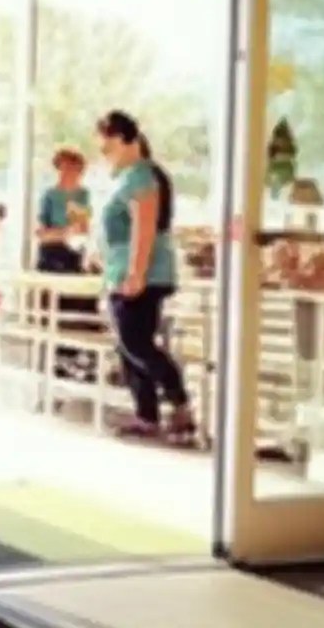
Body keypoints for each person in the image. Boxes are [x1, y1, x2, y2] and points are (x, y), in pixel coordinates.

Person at [95, 110, 194, 442]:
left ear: (126, 140)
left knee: (136, 342)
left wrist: (136, 271)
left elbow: (144, 227)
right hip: (120, 272)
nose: (104, 153)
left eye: (107, 145)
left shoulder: (141, 177)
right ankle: (146, 415)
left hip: (142, 275)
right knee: (126, 346)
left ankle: (178, 399)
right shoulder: (124, 178)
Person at [35, 146, 91, 273]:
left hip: (74, 252)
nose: (66, 172)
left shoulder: (83, 194)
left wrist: (75, 231)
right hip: (50, 253)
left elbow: (83, 229)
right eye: (63, 168)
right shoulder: (49, 195)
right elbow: (41, 231)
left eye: (72, 168)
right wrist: (64, 233)